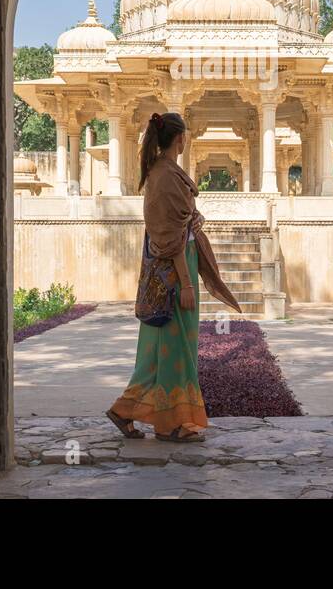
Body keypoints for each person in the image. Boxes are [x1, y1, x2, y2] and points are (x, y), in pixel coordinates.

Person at [105, 111, 241, 441]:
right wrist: (187, 283)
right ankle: (172, 424)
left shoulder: (163, 172)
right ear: (180, 139)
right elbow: (169, 238)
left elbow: (180, 221)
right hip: (174, 275)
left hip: (169, 272)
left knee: (156, 349)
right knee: (177, 349)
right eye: (186, 136)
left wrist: (196, 217)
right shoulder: (165, 176)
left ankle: (126, 410)